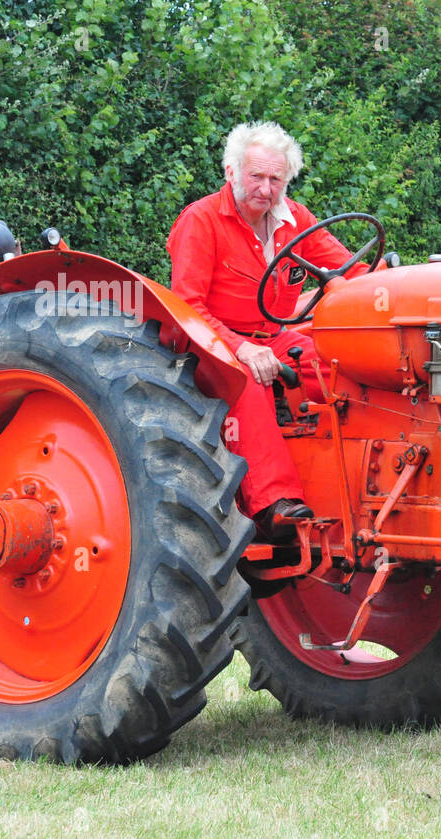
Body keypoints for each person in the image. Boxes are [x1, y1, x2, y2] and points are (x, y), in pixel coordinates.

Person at [166, 121, 369, 539]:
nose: (266, 188)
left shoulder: (294, 219)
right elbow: (187, 308)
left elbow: (347, 270)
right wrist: (240, 349)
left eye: (276, 178)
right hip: (211, 344)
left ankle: (359, 484)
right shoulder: (201, 221)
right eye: (256, 175)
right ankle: (275, 507)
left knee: (341, 364)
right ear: (231, 173)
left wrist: (387, 287)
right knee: (250, 383)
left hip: (274, 336)